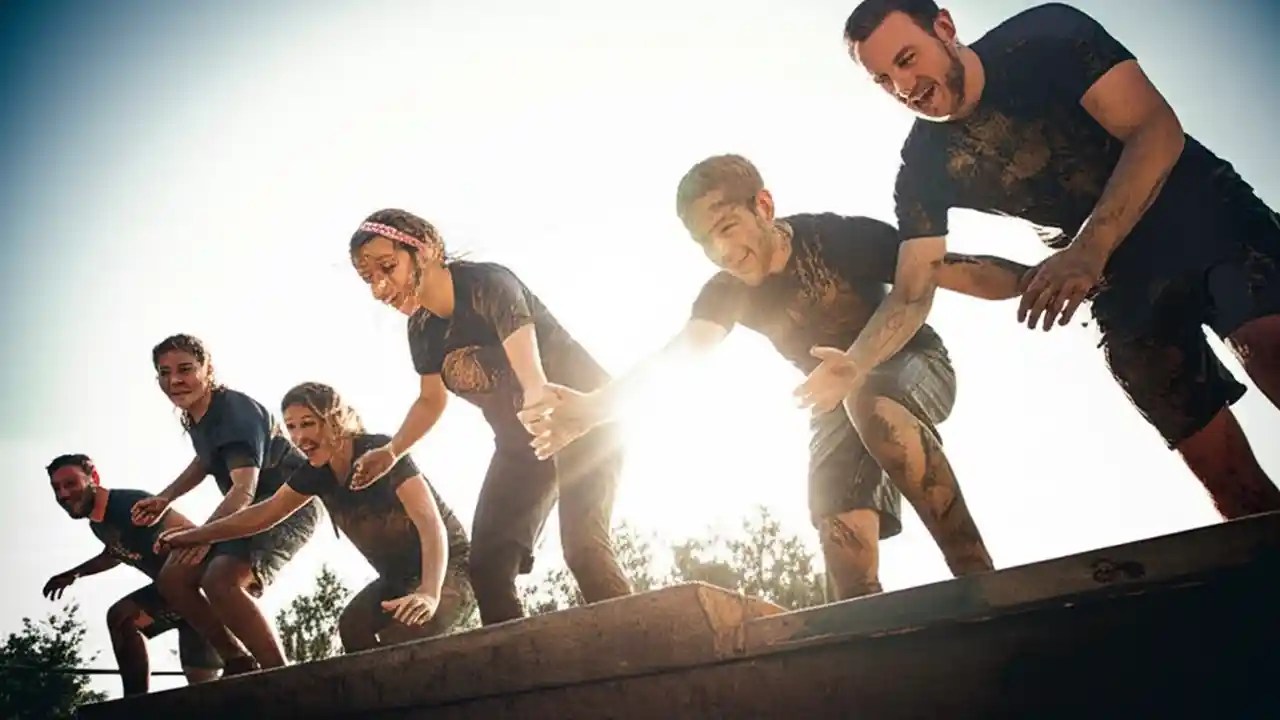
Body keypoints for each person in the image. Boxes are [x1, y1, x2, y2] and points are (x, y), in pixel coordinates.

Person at [840, 1, 1280, 519]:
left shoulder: (1045, 37)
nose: (905, 86)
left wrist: (1089, 249)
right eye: (884, 80)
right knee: (1232, 487)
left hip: (1199, 211)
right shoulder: (922, 168)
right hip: (1116, 282)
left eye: (908, 59)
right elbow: (916, 287)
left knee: (1269, 349)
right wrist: (855, 361)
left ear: (944, 27)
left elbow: (1155, 129)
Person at [521, 154, 1032, 599]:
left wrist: (1040, 279)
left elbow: (950, 270)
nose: (721, 252)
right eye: (704, 242)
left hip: (913, 366)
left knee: (870, 398)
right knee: (837, 525)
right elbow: (677, 358)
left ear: (763, 207)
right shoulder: (726, 291)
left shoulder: (838, 237)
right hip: (833, 402)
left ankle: (975, 576)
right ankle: (867, 638)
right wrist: (591, 408)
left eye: (726, 229)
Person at [346, 209, 631, 624]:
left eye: (387, 268)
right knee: (487, 568)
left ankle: (647, 649)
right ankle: (524, 675)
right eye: (368, 279)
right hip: (520, 447)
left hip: (581, 420)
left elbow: (529, 366)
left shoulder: (487, 285)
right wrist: (391, 452)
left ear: (423, 249)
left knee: (583, 547)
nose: (380, 288)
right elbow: (430, 400)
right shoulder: (422, 331)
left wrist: (536, 392)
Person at [157, 382, 476, 650]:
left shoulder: (377, 452)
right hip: (396, 578)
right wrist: (194, 535)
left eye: (308, 424)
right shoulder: (316, 473)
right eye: (291, 427)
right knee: (353, 627)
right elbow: (263, 514)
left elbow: (430, 523)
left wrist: (430, 593)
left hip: (451, 568)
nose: (299, 438)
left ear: (334, 419)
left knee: (407, 633)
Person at [131, 334, 322, 670]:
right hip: (248, 504)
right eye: (165, 372)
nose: (175, 380)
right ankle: (237, 660)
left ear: (209, 370)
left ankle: (279, 673)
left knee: (220, 579)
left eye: (186, 369)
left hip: (289, 503)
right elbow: (207, 459)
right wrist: (166, 497)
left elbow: (243, 490)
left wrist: (204, 535)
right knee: (173, 578)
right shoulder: (196, 414)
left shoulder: (233, 412)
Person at [42, 453, 251, 695]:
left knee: (123, 616)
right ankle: (136, 703)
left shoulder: (131, 505)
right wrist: (75, 573)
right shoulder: (98, 524)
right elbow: (114, 553)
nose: (63, 495)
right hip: (173, 601)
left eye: (70, 484)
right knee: (200, 688)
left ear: (93, 477)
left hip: (198, 592)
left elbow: (192, 536)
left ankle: (137, 703)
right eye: (56, 488)